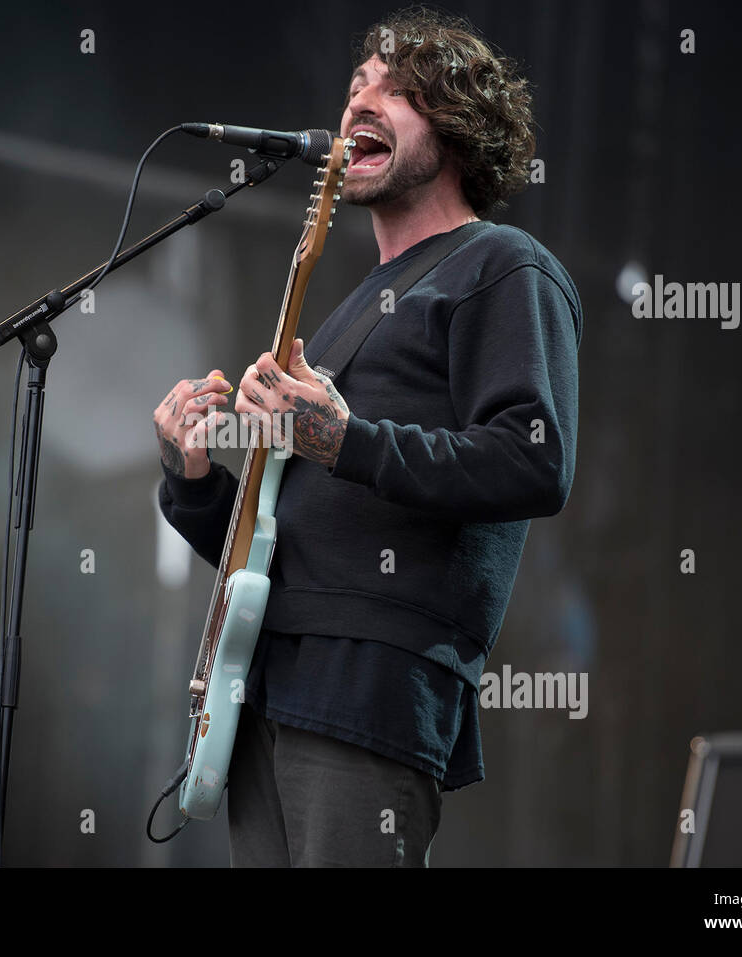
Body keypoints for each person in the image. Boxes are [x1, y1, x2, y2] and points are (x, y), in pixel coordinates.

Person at [153, 7, 582, 867]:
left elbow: (534, 460)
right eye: (356, 87)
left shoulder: (502, 265)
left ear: (458, 125)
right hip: (270, 685)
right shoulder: (354, 305)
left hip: (372, 685)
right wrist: (197, 481)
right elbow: (291, 544)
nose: (360, 104)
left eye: (396, 89)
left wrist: (347, 439)